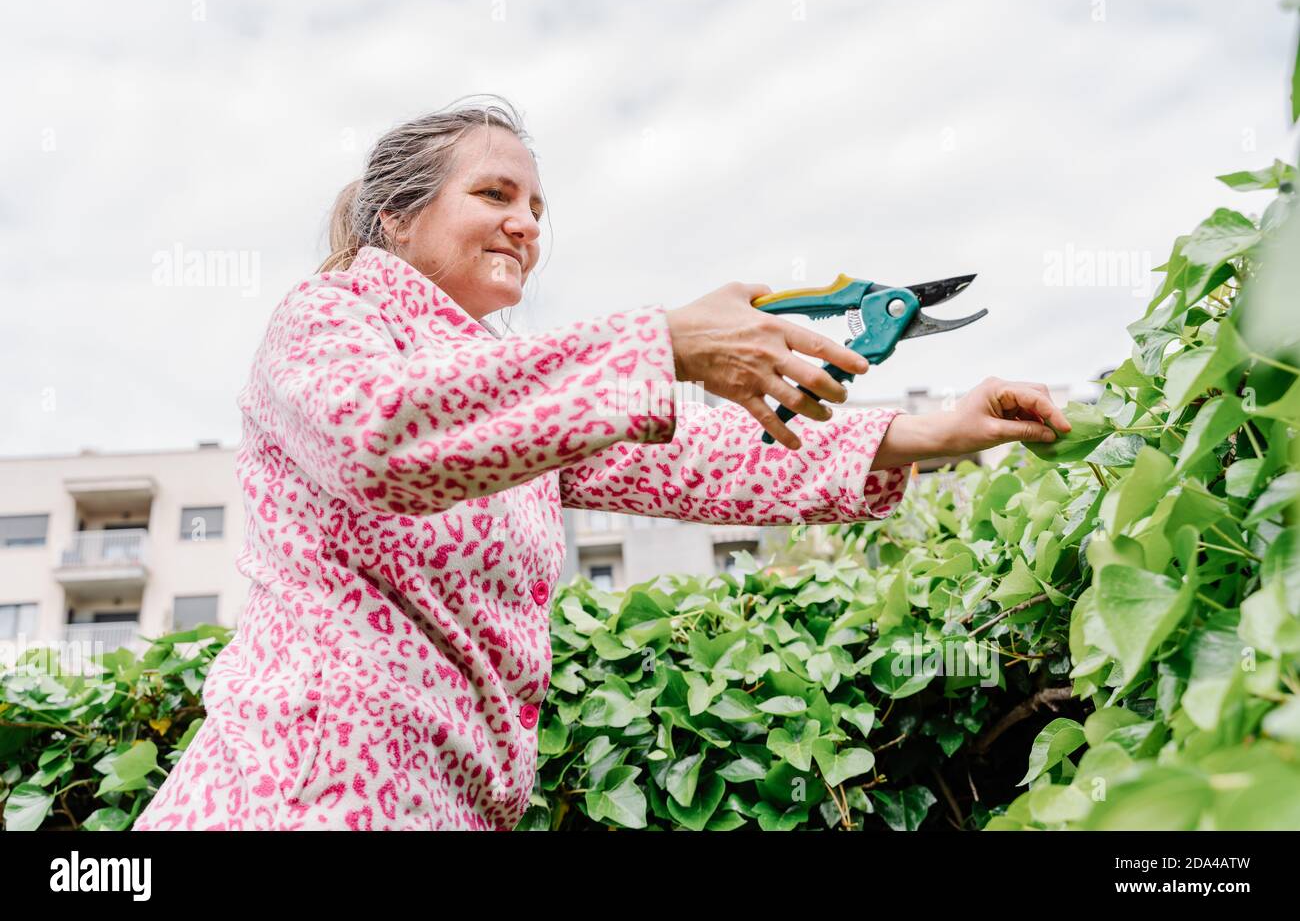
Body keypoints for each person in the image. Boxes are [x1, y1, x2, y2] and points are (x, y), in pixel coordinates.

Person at [132, 94, 1069, 831]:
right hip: (301, 792)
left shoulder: (531, 403)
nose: (527, 224)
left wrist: (925, 433)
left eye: (537, 206)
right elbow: (381, 436)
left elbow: (705, 459)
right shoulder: (331, 317)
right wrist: (658, 342)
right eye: (494, 195)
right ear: (397, 218)